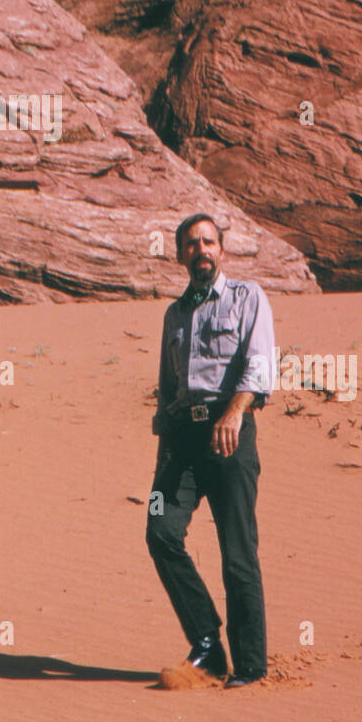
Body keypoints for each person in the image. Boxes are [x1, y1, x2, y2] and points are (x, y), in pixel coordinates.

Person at [145, 213, 275, 688]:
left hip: (231, 435)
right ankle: (206, 644)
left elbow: (260, 364)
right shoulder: (175, 315)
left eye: (208, 241)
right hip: (182, 441)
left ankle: (251, 665)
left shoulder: (247, 298)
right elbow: (166, 388)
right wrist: (163, 454)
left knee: (237, 552)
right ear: (181, 254)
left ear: (222, 249)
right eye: (191, 244)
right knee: (160, 531)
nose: (201, 250)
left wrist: (235, 411)